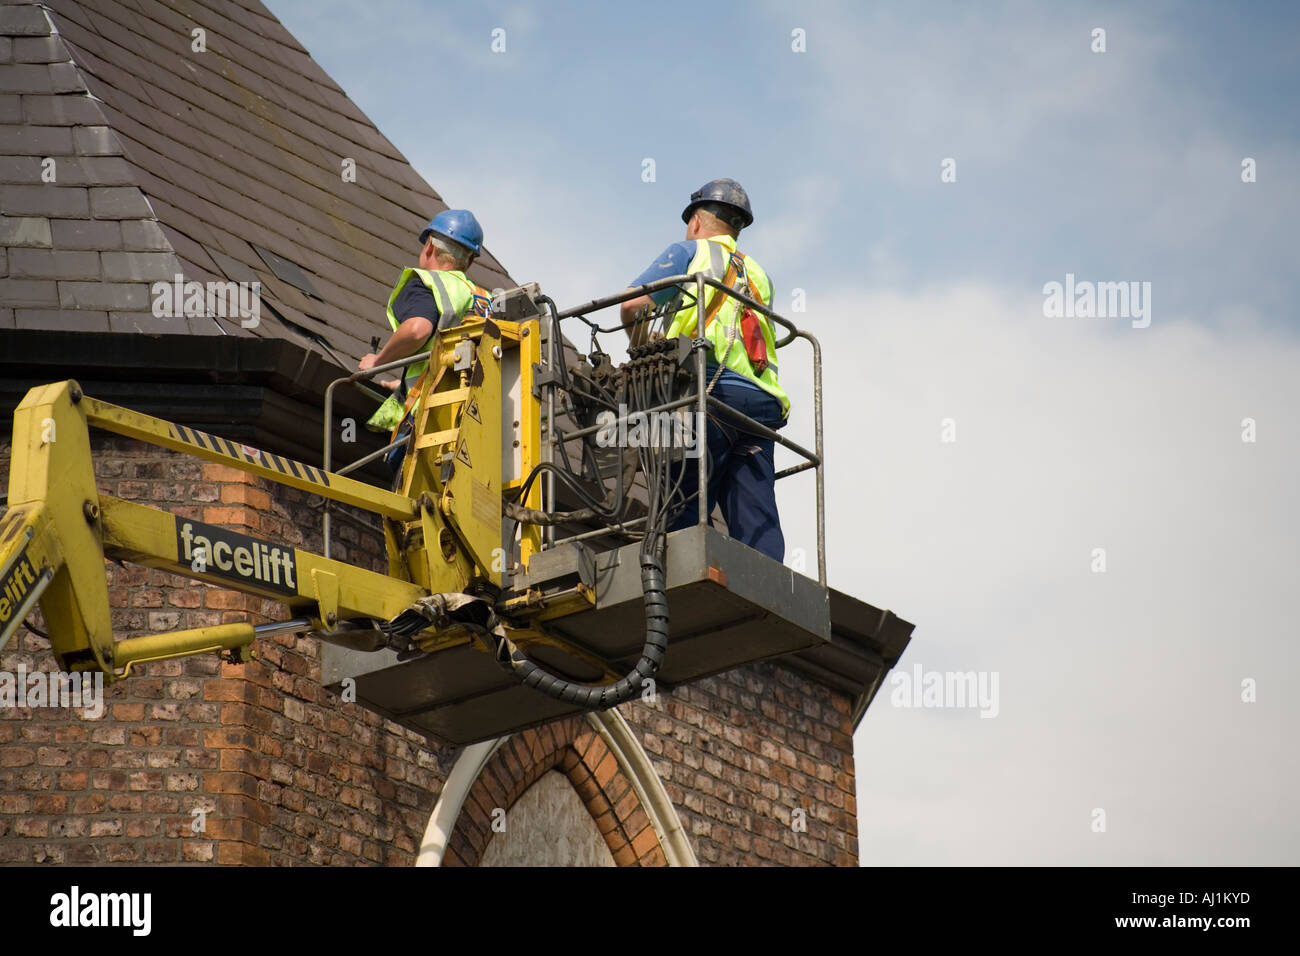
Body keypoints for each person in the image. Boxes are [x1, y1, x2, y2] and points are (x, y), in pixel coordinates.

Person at [618, 179, 790, 561]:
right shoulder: (760, 275)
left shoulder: (689, 251)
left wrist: (640, 347)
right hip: (760, 404)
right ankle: (767, 577)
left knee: (685, 493)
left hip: (710, 391)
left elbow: (631, 306)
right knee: (755, 509)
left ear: (696, 221)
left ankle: (685, 567)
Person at [360, 209, 492, 474]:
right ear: (469, 262)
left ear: (429, 245)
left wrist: (377, 362)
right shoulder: (485, 299)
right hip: (475, 421)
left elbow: (418, 330)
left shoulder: (428, 282)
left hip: (429, 420)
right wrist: (403, 385)